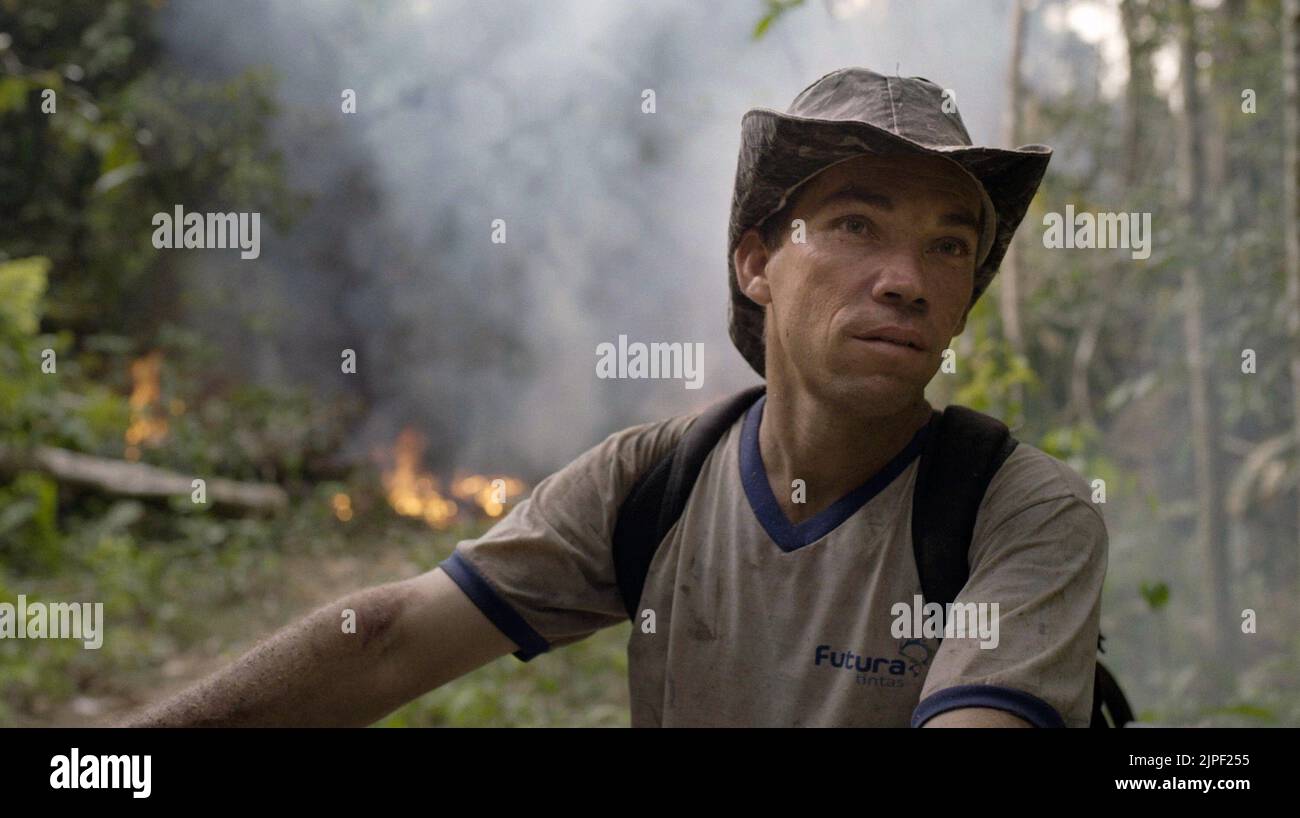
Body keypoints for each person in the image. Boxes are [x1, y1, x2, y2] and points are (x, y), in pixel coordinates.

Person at [126, 67, 1106, 728]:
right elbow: (384, 643)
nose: (908, 277)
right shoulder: (655, 479)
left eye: (947, 244)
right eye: (855, 224)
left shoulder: (1016, 514)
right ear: (756, 262)